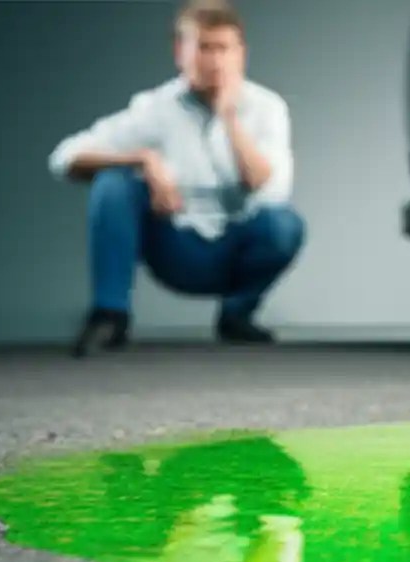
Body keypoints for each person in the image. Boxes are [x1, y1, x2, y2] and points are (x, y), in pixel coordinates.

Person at [47, 0, 304, 357]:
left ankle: (236, 315)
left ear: (241, 53)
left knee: (284, 225)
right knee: (114, 183)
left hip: (236, 248)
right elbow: (64, 157)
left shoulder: (267, 108)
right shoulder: (156, 107)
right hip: (176, 246)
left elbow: (272, 191)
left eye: (223, 49)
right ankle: (110, 315)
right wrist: (142, 158)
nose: (214, 61)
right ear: (179, 51)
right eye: (203, 47)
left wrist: (229, 118)